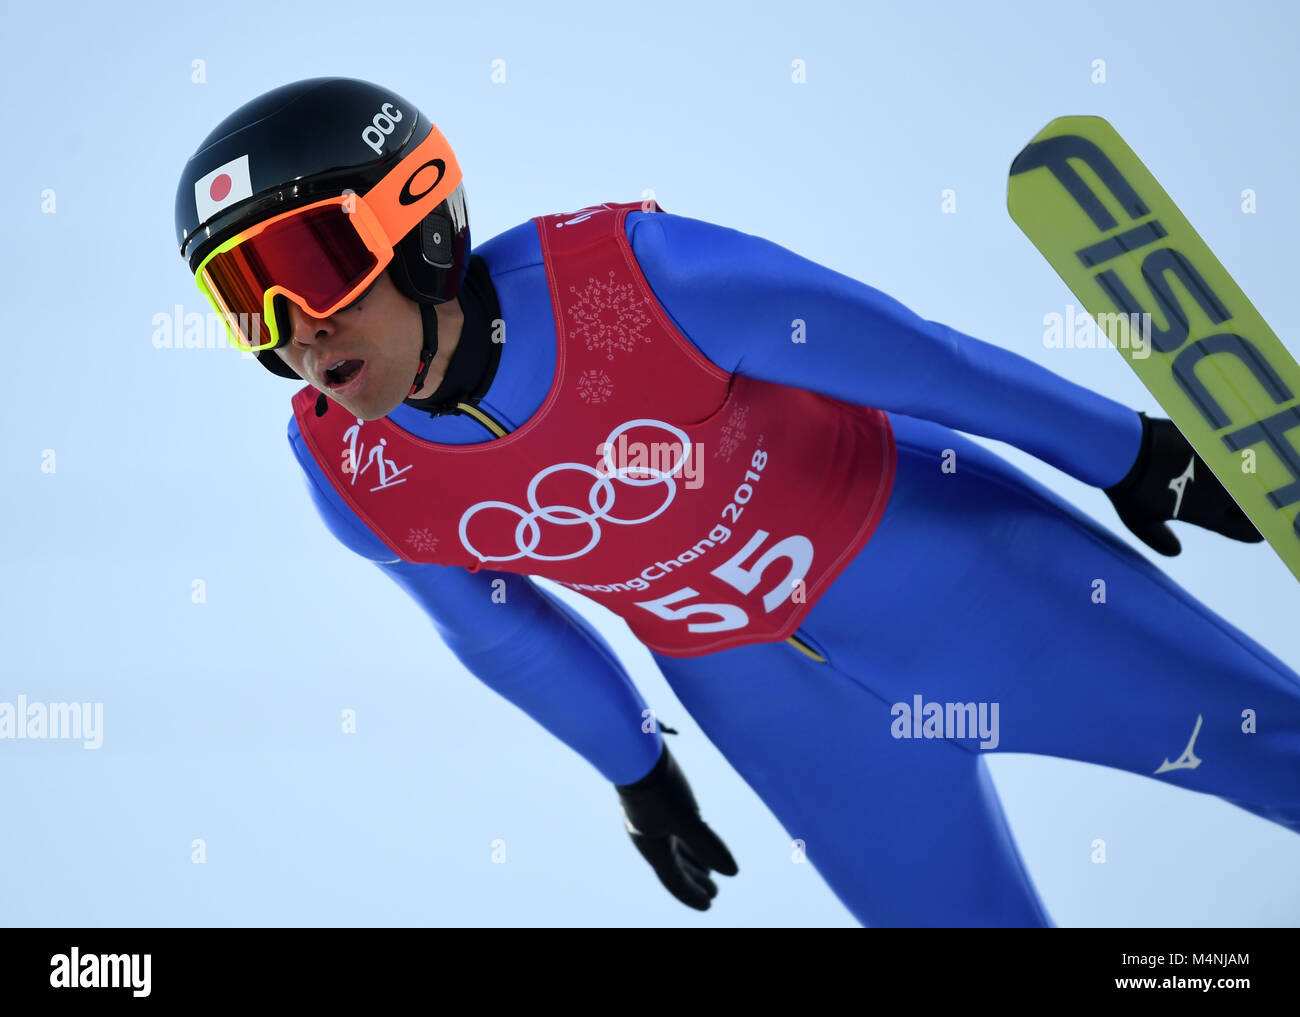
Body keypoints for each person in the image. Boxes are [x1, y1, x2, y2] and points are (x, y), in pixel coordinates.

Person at [174, 76, 1299, 927]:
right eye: (242, 299)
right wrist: (640, 774)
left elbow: (917, 359)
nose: (294, 325)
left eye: (307, 265)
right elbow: (497, 635)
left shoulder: (628, 279)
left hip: (959, 577)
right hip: (780, 717)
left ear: (416, 221)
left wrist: (1126, 450)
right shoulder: (351, 473)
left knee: (1279, 754)